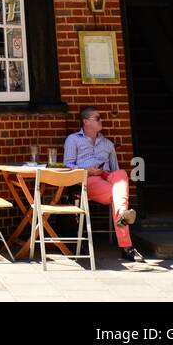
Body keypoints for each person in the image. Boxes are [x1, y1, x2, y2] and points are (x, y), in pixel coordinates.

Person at [63, 105, 144, 263]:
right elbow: (68, 165)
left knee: (121, 174)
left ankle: (122, 215)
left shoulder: (107, 144)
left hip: (108, 177)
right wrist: (87, 170)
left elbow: (115, 169)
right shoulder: (73, 140)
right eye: (97, 118)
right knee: (120, 199)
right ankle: (126, 245)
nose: (101, 121)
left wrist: (112, 175)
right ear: (86, 121)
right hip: (89, 180)